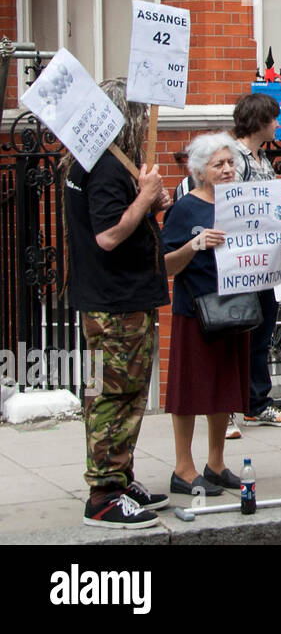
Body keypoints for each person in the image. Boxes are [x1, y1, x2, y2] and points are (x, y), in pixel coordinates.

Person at [162, 133, 281, 495]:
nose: (226, 169)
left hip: (237, 308)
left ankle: (216, 462)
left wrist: (280, 244)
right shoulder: (185, 208)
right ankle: (183, 467)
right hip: (196, 311)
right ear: (199, 171)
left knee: (224, 387)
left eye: (229, 163)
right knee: (190, 390)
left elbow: (261, 252)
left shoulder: (246, 203)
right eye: (218, 164)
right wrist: (195, 243)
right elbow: (164, 265)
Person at [63, 78, 171, 528]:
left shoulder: (87, 164)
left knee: (118, 393)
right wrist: (144, 198)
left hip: (110, 299)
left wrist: (149, 203)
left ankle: (120, 479)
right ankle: (104, 493)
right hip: (115, 304)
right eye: (141, 115)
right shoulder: (106, 169)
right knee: (114, 395)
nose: (146, 123)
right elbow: (108, 235)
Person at [227, 92, 281, 438]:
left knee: (261, 333)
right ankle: (227, 407)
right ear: (258, 122)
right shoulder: (235, 159)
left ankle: (256, 403)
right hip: (239, 264)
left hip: (263, 263)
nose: (277, 124)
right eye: (273, 118)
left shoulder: (262, 160)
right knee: (234, 336)